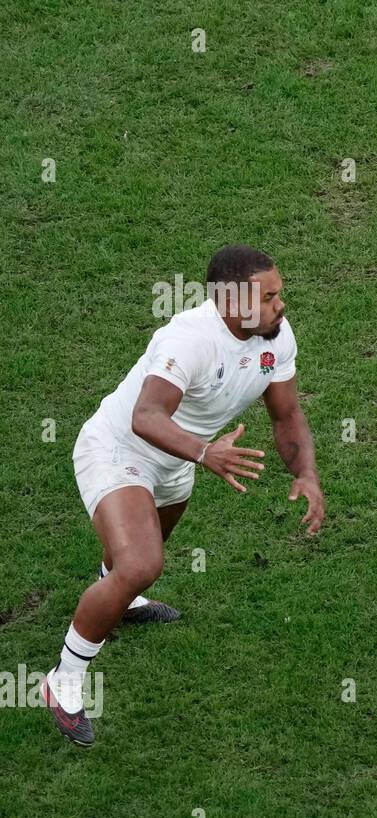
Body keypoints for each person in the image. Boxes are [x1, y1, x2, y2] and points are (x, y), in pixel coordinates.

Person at [41, 245, 325, 746]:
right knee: (142, 564)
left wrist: (306, 474)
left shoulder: (275, 338)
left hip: (180, 458)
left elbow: (286, 415)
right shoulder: (188, 339)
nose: (281, 305)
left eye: (280, 292)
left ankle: (119, 599)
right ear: (232, 303)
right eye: (270, 297)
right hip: (120, 448)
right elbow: (145, 416)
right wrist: (205, 453)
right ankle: (64, 678)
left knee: (134, 561)